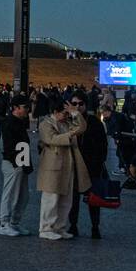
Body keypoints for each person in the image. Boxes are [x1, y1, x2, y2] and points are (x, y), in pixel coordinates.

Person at [37, 97, 90, 240]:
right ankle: (46, 228)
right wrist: (71, 134)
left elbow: (82, 127)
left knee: (66, 200)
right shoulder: (45, 124)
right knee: (51, 198)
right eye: (64, 113)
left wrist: (75, 113)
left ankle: (59, 227)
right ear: (55, 112)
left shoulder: (66, 123)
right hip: (52, 166)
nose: (66, 116)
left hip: (68, 164)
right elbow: (51, 139)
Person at [67, 95, 108, 239]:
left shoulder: (94, 122)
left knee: (93, 199)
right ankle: (72, 225)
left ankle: (95, 227)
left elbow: (103, 145)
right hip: (73, 166)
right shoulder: (68, 121)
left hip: (92, 166)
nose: (77, 106)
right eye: (74, 103)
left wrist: (98, 162)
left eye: (80, 103)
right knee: (73, 199)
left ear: (86, 104)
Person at [0, 95, 33, 236]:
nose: (27, 110)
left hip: (20, 162)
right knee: (11, 194)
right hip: (14, 163)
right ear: (16, 108)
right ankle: (4, 223)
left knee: (23, 196)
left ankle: (14, 222)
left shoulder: (17, 121)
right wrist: (17, 162)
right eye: (25, 107)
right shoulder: (10, 122)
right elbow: (9, 146)